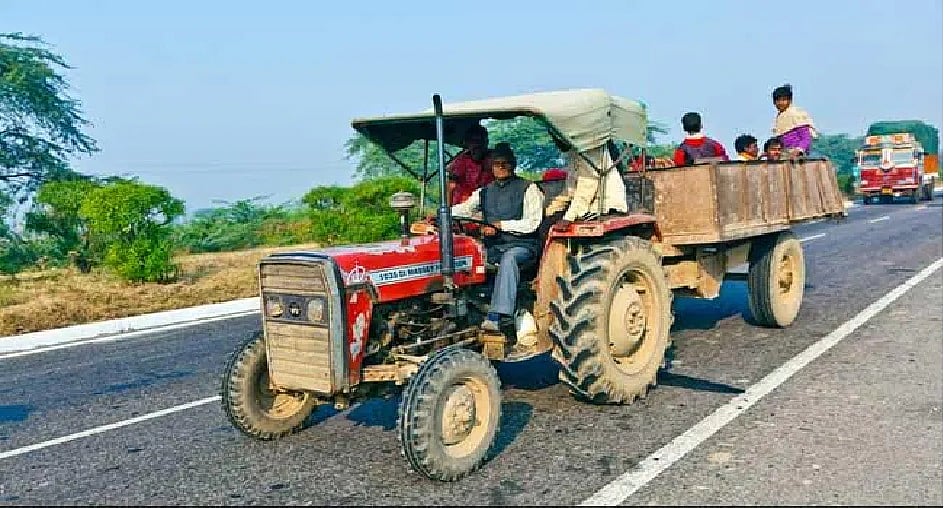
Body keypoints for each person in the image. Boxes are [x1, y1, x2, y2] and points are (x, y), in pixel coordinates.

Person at [451, 143, 543, 333]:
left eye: (505, 163)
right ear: (491, 166)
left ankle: (496, 316)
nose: (500, 167)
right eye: (497, 163)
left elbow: (532, 223)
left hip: (523, 245)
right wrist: (439, 215)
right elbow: (463, 209)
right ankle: (461, 314)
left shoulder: (528, 188)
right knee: (463, 255)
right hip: (493, 246)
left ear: (513, 164)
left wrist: (501, 225)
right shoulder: (484, 191)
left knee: (509, 259)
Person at [448, 124, 493, 205]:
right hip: (463, 204)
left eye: (480, 141)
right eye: (473, 141)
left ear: (486, 142)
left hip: (489, 203)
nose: (477, 145)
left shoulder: (495, 159)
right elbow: (451, 185)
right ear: (467, 143)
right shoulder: (460, 161)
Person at [771, 84, 817, 158]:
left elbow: (806, 137)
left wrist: (799, 150)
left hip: (797, 154)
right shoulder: (779, 117)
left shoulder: (796, 113)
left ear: (790, 100)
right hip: (784, 153)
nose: (780, 103)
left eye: (784, 100)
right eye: (778, 100)